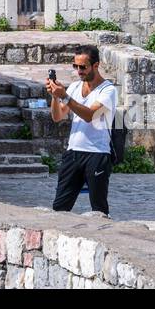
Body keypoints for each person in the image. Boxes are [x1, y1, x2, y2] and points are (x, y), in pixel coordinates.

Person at [45, 46, 117, 216]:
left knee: (99, 208)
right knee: (60, 207)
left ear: (96, 65)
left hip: (97, 154)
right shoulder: (75, 87)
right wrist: (55, 97)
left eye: (83, 67)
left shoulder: (108, 90)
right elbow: (58, 116)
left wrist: (66, 97)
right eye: (75, 66)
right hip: (73, 153)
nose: (79, 71)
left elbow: (90, 115)